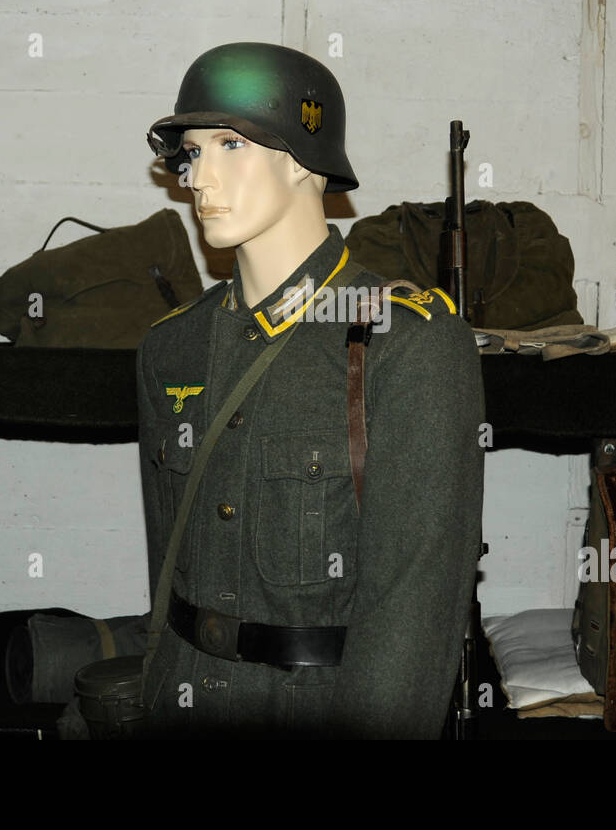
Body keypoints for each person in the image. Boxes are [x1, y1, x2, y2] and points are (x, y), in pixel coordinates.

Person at [135, 42, 485, 738]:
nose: (198, 176)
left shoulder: (406, 343)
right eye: (191, 153)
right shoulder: (169, 347)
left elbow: (411, 620)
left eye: (229, 145)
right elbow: (168, 574)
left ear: (301, 159)